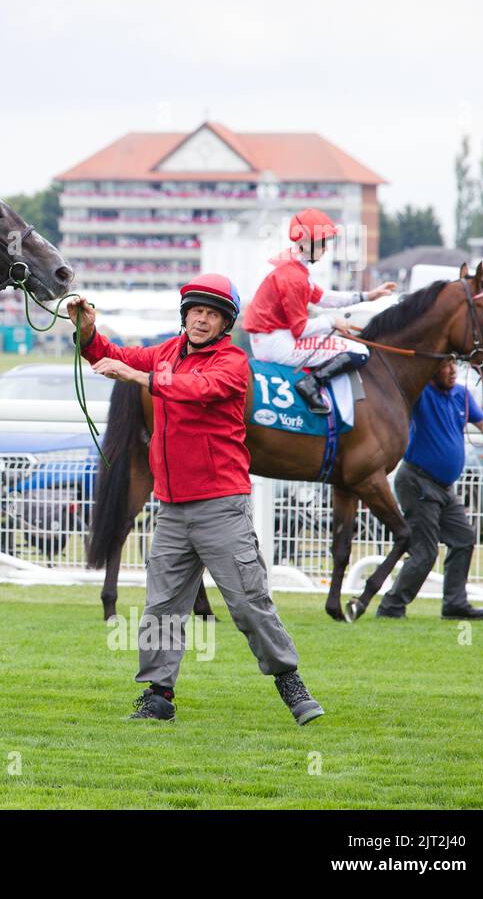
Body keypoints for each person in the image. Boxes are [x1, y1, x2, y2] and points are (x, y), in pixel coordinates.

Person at [70, 273, 324, 725]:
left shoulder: (232, 362)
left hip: (220, 506)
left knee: (248, 602)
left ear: (225, 322)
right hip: (170, 508)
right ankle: (158, 695)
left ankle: (290, 682)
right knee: (162, 605)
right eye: (195, 311)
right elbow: (110, 355)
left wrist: (138, 377)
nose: (201, 320)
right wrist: (88, 332)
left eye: (211, 313)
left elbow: (197, 390)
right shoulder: (166, 351)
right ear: (184, 315)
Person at [376, 361, 483, 620]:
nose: (453, 370)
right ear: (432, 370)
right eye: (445, 366)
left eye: (454, 364)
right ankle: (391, 607)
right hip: (417, 482)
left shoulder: (461, 395)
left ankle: (454, 605)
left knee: (463, 538)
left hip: (444, 488)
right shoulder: (421, 394)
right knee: (425, 551)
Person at [242, 207, 396, 415]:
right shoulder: (293, 277)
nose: (325, 249)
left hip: (270, 338)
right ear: (306, 242)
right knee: (359, 351)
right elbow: (301, 330)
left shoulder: (292, 264)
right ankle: (310, 385)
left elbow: (323, 298)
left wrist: (368, 296)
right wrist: (332, 322)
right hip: (278, 344)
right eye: (323, 243)